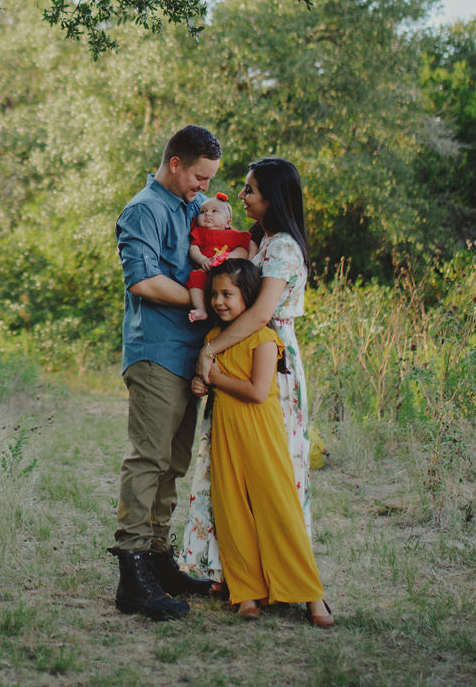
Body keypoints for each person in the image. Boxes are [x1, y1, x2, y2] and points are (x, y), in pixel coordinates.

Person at [110, 124, 222, 620]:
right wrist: (206, 304)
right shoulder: (143, 209)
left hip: (188, 356)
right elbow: (145, 281)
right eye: (199, 176)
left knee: (174, 464)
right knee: (149, 460)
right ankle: (132, 578)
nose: (203, 186)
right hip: (155, 352)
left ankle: (159, 559)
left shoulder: (189, 206)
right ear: (175, 163)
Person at [194, 258, 333, 626]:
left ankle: (310, 595)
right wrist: (201, 382)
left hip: (260, 433)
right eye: (214, 295)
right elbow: (206, 382)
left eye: (228, 294)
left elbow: (257, 392)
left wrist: (216, 377)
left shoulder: (263, 338)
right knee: (233, 510)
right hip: (227, 434)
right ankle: (247, 593)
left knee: (277, 508)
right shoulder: (212, 341)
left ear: (249, 296)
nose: (219, 301)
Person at [198, 157, 314, 533]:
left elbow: (263, 312)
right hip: (242, 350)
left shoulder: (282, 248)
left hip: (270, 356)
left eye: (250, 190)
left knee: (272, 461)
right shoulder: (260, 240)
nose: (242, 195)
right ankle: (236, 563)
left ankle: (282, 562)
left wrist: (210, 349)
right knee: (236, 460)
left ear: (273, 197)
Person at [185, 193, 255, 322]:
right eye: (202, 212)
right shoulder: (199, 232)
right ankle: (200, 308)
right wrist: (202, 260)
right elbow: (193, 249)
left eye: (214, 211)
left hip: (226, 273)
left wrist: (232, 257)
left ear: (228, 222)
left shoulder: (233, 235)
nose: (207, 214)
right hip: (206, 270)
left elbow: (245, 248)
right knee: (195, 276)